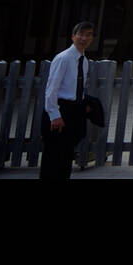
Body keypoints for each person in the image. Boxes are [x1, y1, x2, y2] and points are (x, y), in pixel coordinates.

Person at [40, 21, 97, 180]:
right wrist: (54, 115)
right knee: (53, 157)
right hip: (59, 109)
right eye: (81, 34)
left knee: (66, 155)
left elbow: (78, 87)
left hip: (73, 111)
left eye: (88, 35)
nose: (84, 38)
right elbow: (52, 88)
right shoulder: (63, 58)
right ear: (73, 36)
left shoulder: (84, 61)